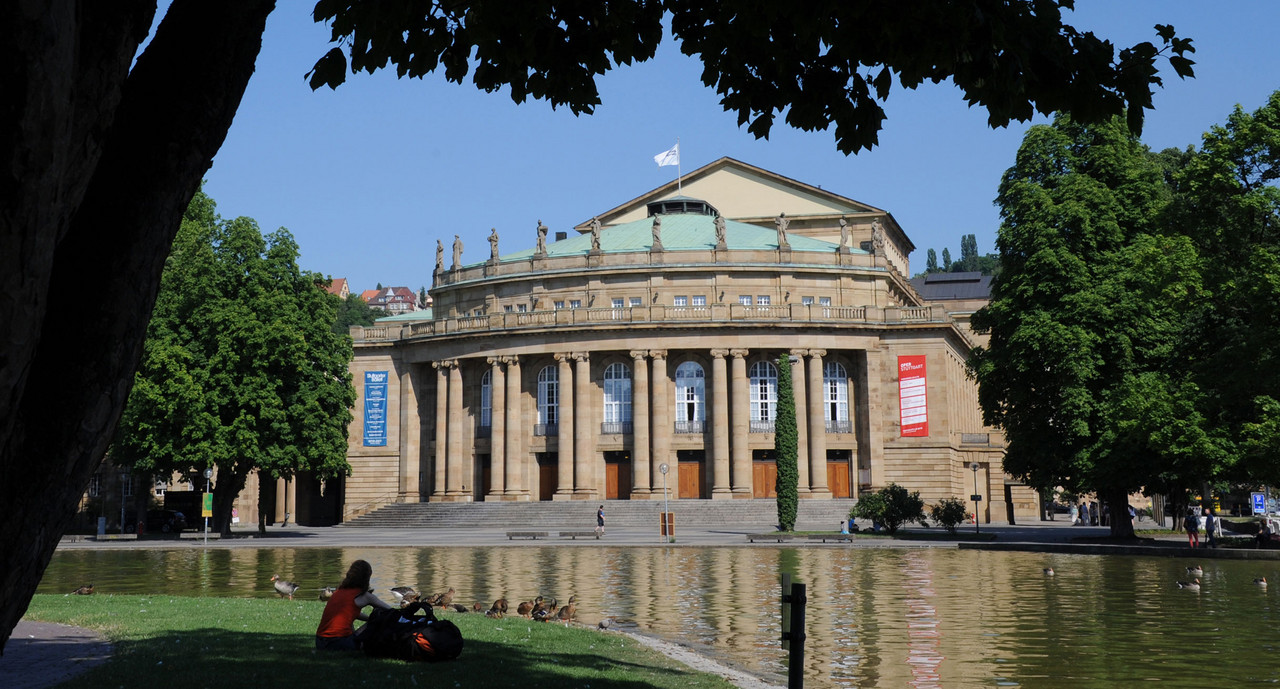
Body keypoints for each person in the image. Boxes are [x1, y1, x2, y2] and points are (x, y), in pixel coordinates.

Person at [315, 559, 393, 651]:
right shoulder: (364, 596)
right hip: (338, 643)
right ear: (366, 578)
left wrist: (369, 619)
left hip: (320, 642)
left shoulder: (338, 592)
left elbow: (350, 613)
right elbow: (390, 611)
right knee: (381, 615)